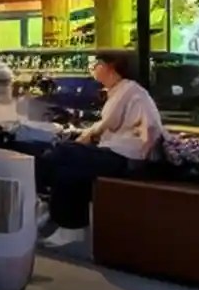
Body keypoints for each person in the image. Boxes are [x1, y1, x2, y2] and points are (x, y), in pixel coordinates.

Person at [36, 51, 165, 232]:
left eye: (97, 64)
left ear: (110, 67)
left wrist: (75, 143)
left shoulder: (127, 89)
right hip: (124, 154)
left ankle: (52, 212)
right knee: (67, 170)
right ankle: (64, 220)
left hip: (125, 157)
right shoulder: (125, 90)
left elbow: (100, 127)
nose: (93, 69)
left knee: (62, 155)